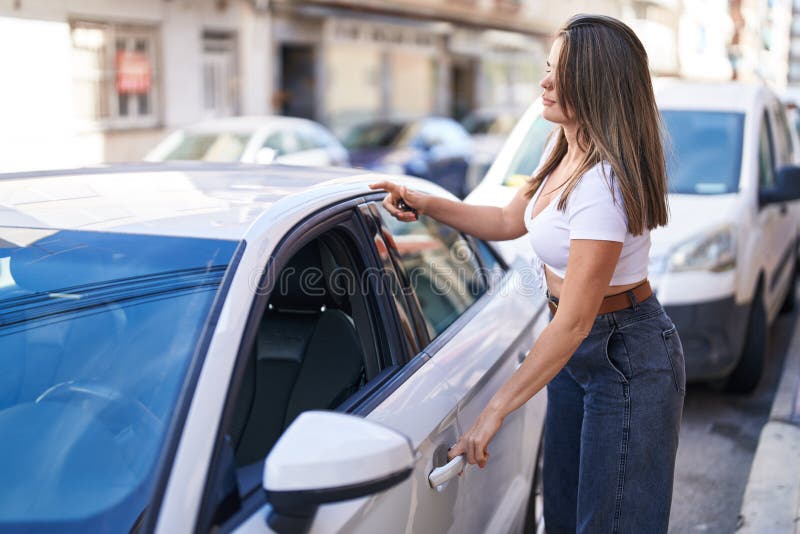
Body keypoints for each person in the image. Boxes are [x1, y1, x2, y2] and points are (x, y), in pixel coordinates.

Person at [368, 13, 685, 534]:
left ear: (596, 83)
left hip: (626, 358)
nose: (544, 81)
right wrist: (424, 202)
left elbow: (576, 321)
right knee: (560, 518)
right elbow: (506, 220)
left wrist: (493, 411)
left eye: (561, 73)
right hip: (577, 353)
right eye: (547, 67)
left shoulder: (602, 186)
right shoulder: (561, 147)